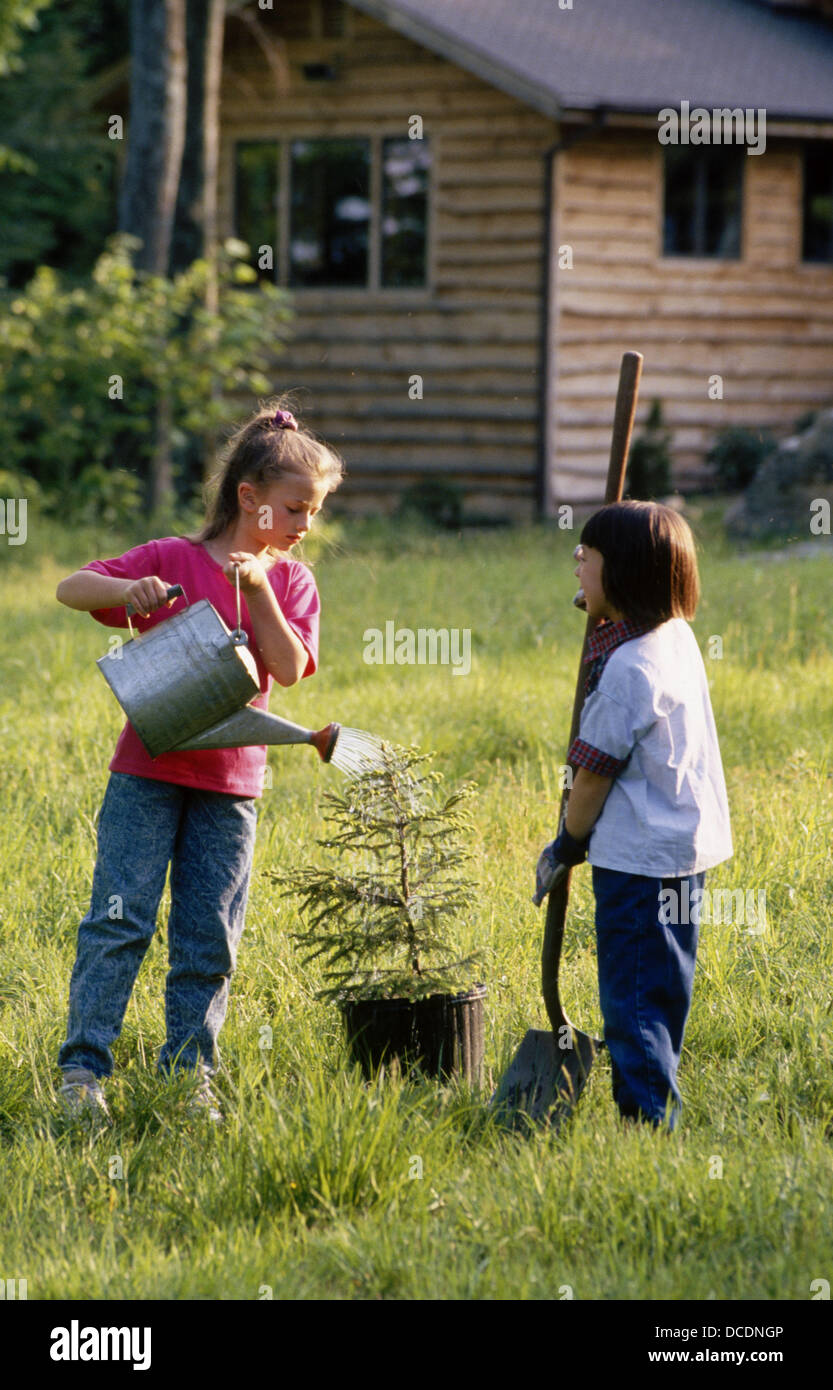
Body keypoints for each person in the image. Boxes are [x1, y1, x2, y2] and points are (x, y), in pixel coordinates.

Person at [55, 401, 343, 1124]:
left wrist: (258, 591)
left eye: (313, 510)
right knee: (119, 921)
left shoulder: (291, 583)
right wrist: (130, 591)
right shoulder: (172, 557)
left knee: (208, 934)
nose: (305, 524)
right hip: (146, 774)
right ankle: (83, 1071)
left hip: (232, 787)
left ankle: (188, 1077)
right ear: (249, 498)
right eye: (295, 508)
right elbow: (71, 588)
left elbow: (289, 664)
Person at [535, 500, 733, 1131]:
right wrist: (601, 623)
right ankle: (652, 1106)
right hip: (683, 850)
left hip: (638, 863)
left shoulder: (628, 669)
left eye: (586, 556)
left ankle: (648, 1127)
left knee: (633, 1000)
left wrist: (566, 844)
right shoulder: (672, 637)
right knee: (661, 990)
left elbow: (591, 776)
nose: (575, 564)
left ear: (620, 575)